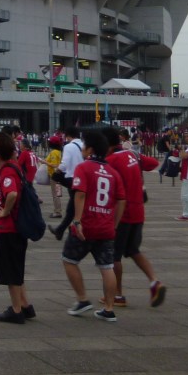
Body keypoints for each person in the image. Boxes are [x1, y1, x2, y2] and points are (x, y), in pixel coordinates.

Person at [63, 129, 123, 323]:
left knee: (69, 259)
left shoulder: (84, 168)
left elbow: (80, 194)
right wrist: (114, 223)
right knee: (107, 267)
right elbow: (122, 199)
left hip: (87, 225)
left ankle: (82, 299)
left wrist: (77, 220)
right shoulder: (113, 172)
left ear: (89, 149)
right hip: (106, 227)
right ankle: (109, 308)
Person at [104, 127, 166, 308]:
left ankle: (118, 295)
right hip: (139, 211)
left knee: (114, 256)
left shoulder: (110, 160)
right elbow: (154, 163)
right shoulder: (133, 155)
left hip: (122, 213)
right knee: (133, 250)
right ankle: (155, 281)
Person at [0, 132, 34, 323]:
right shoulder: (15, 166)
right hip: (17, 227)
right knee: (17, 267)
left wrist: (5, 211)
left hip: (9, 228)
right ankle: (25, 305)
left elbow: (12, 193)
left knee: (10, 271)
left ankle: (16, 310)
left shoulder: (6, 170)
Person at [49, 125, 85, 238]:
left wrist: (57, 173)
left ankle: (65, 229)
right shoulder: (84, 145)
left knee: (73, 207)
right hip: (83, 179)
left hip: (72, 179)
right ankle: (61, 230)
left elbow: (64, 164)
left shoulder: (69, 147)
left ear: (68, 135)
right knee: (73, 206)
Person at [44, 138, 64, 217]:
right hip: (59, 175)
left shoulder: (53, 152)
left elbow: (54, 165)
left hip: (54, 175)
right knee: (58, 194)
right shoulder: (59, 152)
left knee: (55, 194)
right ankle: (58, 209)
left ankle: (57, 211)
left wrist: (44, 162)